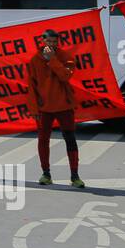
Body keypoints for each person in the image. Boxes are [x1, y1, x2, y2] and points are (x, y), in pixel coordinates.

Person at [26, 28, 84, 188]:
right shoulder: (34, 60)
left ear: (57, 42)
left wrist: (52, 60)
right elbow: (31, 87)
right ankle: (46, 173)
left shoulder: (65, 56)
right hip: (44, 108)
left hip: (64, 106)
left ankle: (75, 176)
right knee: (43, 140)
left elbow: (65, 75)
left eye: (54, 42)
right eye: (48, 41)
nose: (51, 44)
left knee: (70, 139)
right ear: (42, 41)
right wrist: (33, 109)